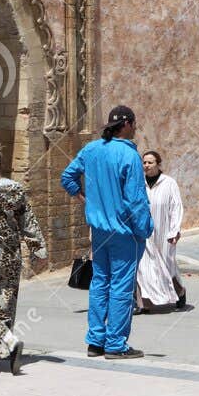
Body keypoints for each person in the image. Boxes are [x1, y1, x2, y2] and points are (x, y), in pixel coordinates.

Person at [61, 105, 155, 360]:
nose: (135, 128)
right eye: (134, 123)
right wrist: (146, 229)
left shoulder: (92, 149)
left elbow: (67, 176)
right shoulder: (129, 156)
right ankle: (115, 344)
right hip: (124, 233)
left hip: (100, 231)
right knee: (122, 288)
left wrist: (82, 197)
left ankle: (95, 341)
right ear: (126, 124)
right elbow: (135, 200)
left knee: (99, 283)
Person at [0, 141, 46, 376]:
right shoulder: (16, 189)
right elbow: (28, 221)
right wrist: (38, 250)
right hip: (12, 255)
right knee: (6, 305)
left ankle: (10, 343)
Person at [136, 150, 187, 312]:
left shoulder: (168, 183)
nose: (146, 165)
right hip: (144, 232)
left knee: (167, 266)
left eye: (150, 162)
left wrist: (175, 230)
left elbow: (176, 207)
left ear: (158, 164)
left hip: (164, 232)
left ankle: (180, 292)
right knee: (144, 268)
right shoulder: (138, 183)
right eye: (144, 162)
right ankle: (146, 302)